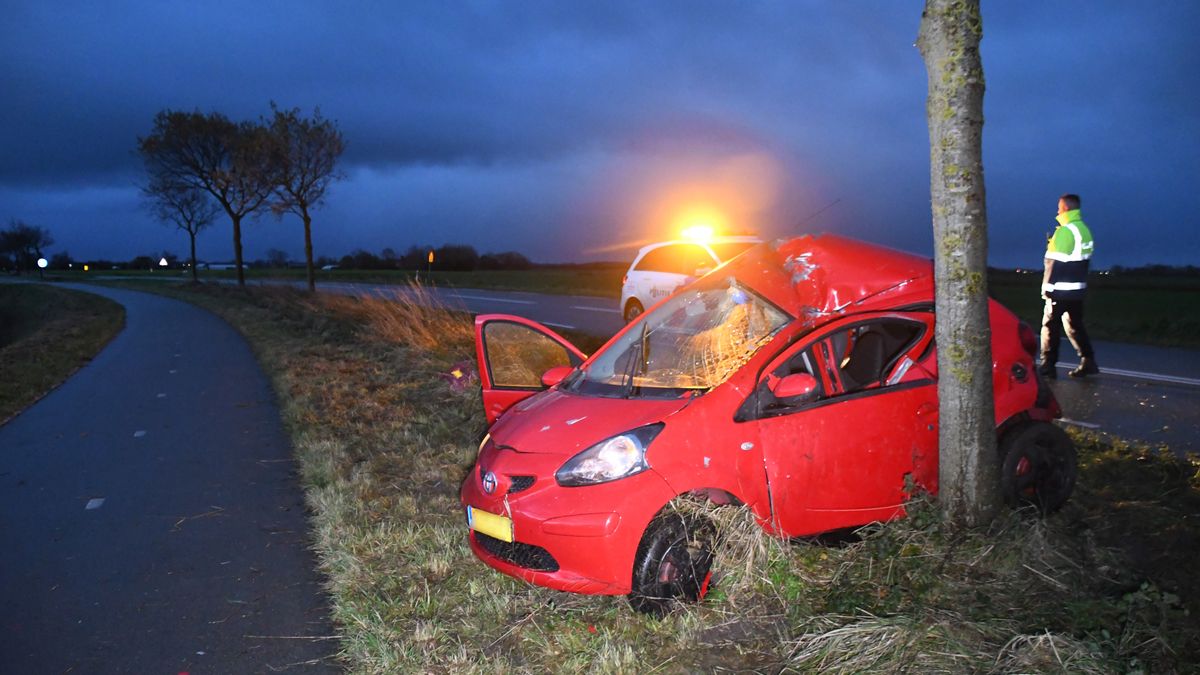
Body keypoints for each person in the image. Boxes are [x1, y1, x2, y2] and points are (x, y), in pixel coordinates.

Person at [1039, 193, 1098, 379]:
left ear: (1065, 208)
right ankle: (1088, 361)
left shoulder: (1065, 231)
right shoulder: (1084, 230)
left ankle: (1048, 366)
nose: (1057, 210)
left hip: (1059, 291)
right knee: (1075, 326)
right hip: (1077, 291)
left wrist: (1047, 288)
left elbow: (1055, 263)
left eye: (1059, 207)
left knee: (1050, 326)